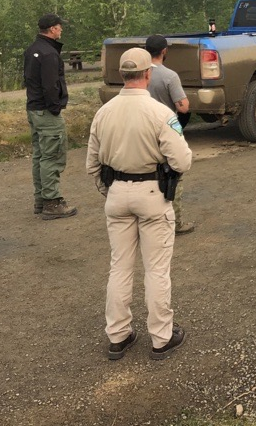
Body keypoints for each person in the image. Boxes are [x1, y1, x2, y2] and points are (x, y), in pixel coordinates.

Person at [86, 48, 193, 361]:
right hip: (152, 194)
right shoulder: (161, 114)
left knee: (119, 266)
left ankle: (118, 335)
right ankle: (161, 337)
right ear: (148, 74)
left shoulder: (103, 113)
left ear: (122, 75)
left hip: (117, 193)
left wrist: (111, 189)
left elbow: (91, 163)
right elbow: (183, 160)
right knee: (156, 269)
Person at [23, 14, 76, 219]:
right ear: (53, 29)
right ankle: (51, 202)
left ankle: (41, 199)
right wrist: (55, 107)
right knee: (52, 156)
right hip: (46, 111)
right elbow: (50, 86)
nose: (61, 30)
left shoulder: (32, 50)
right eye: (59, 27)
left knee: (40, 155)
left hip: (34, 109)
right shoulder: (49, 53)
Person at [145, 34, 195, 236]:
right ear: (164, 51)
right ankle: (175, 223)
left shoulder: (140, 74)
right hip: (165, 131)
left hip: (143, 130)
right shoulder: (169, 76)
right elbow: (183, 108)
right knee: (173, 175)